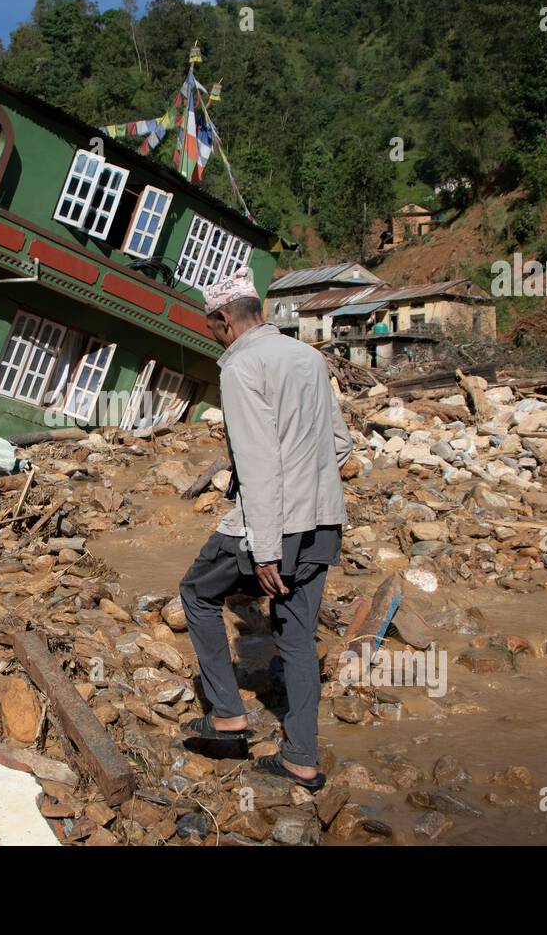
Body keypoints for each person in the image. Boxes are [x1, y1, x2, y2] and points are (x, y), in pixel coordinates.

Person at [178, 266, 352, 790]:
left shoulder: (241, 367)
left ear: (225, 320)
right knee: (298, 639)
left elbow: (256, 466)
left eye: (212, 326)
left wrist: (268, 551)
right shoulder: (308, 357)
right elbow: (340, 443)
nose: (212, 333)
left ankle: (228, 714)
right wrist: (308, 479)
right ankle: (301, 756)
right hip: (323, 519)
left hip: (271, 524)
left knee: (197, 593)